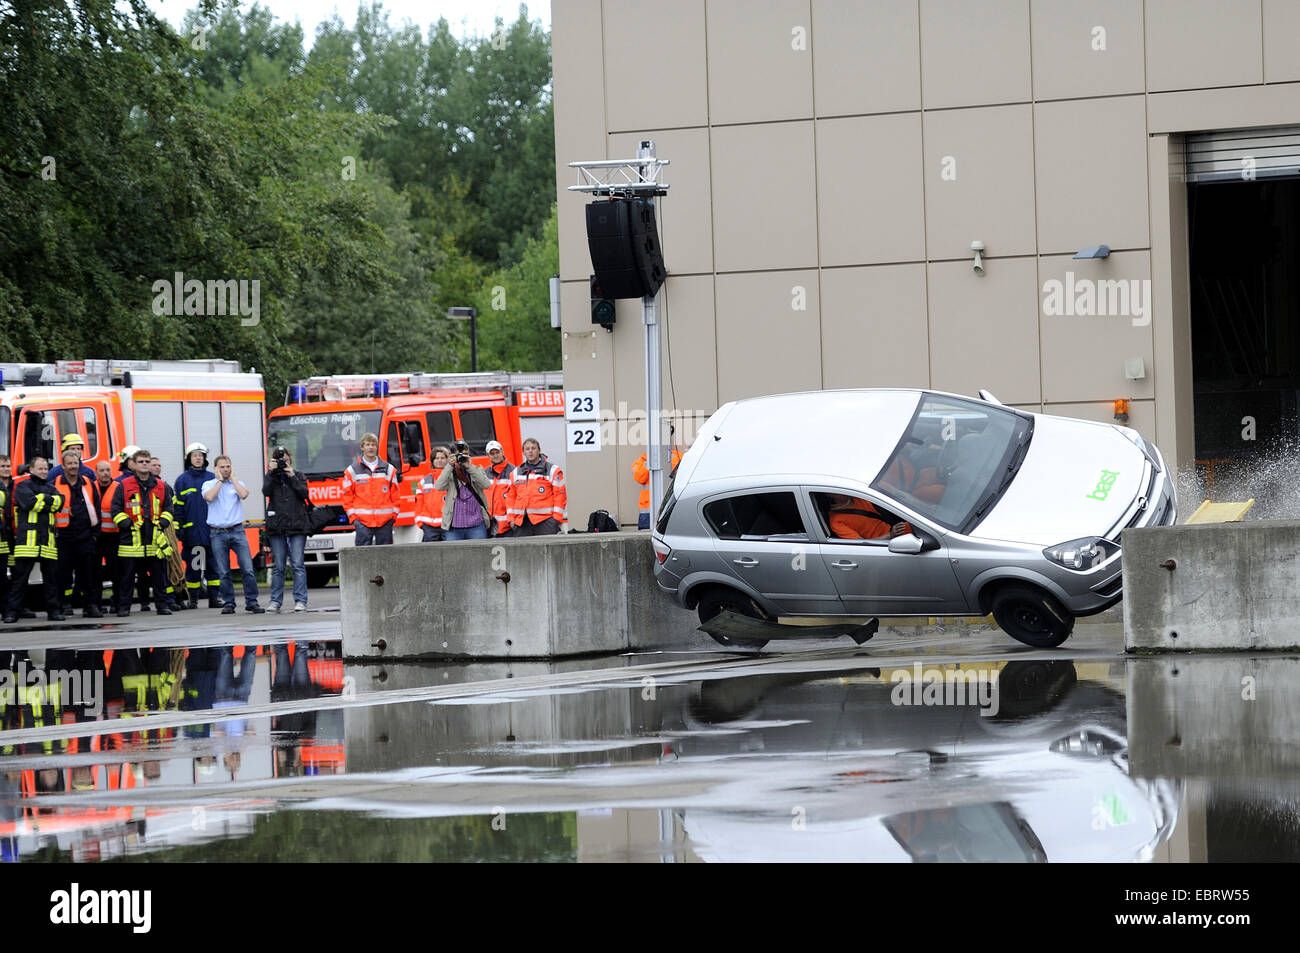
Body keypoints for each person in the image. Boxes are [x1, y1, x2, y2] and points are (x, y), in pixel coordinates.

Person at [110, 448, 177, 617]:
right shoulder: (124, 485)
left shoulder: (161, 486)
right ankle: (124, 607)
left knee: (158, 577)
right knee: (127, 578)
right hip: (131, 540)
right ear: (134, 464)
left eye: (147, 461)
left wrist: (163, 521)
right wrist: (125, 523)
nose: (145, 464)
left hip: (154, 540)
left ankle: (162, 606)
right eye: (141, 461)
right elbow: (115, 508)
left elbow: (169, 507)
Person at [4, 457, 67, 623]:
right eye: (40, 468)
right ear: (31, 469)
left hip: (48, 542)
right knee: (19, 580)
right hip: (27, 543)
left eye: (46, 468)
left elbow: (60, 502)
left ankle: (53, 611)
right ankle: (12, 612)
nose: (44, 471)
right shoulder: (23, 486)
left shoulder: (51, 487)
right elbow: (29, 504)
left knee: (51, 580)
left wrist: (43, 499)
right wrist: (48, 501)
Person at [202, 455, 265, 615]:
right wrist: (220, 481)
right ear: (215, 469)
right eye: (222, 467)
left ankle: (252, 602)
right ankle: (229, 602)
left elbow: (244, 494)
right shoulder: (209, 484)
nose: (225, 469)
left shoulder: (237, 484)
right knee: (223, 571)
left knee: (247, 568)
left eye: (228, 466)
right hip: (217, 533)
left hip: (237, 531)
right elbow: (209, 497)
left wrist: (233, 479)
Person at [52, 448, 103, 618]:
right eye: (70, 464)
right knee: (63, 574)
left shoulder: (88, 482)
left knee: (87, 574)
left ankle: (90, 605)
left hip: (85, 535)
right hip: (63, 536)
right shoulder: (55, 483)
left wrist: (95, 533)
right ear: (63, 466)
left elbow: (96, 506)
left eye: (75, 463)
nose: (73, 466)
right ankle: (63, 604)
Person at [173, 443, 221, 609]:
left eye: (201, 455)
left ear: (205, 458)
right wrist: (179, 529)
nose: (198, 458)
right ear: (189, 458)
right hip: (192, 534)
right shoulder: (182, 480)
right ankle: (193, 599)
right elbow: (178, 508)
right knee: (194, 567)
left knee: (212, 567)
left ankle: (214, 598)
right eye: (195, 455)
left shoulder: (212, 478)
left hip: (211, 532)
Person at [263, 447, 310, 613]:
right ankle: (275, 601)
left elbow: (304, 493)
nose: (284, 462)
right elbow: (265, 491)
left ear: (291, 460)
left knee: (298, 564)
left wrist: (292, 476)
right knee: (279, 566)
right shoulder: (272, 476)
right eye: (280, 460)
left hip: (297, 524)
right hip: (278, 526)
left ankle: (301, 600)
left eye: (286, 459)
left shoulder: (298, 475)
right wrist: (271, 472)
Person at [340, 432, 398, 545]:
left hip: (385, 521)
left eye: (373, 444)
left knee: (385, 556)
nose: (371, 447)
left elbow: (395, 494)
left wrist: (393, 516)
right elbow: (347, 496)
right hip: (362, 522)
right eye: (367, 444)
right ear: (362, 447)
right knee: (362, 556)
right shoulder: (352, 470)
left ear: (377, 447)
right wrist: (354, 518)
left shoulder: (389, 469)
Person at [508, 438, 566, 536]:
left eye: (533, 448)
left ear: (539, 451)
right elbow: (510, 498)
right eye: (527, 449)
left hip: (546, 522)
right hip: (522, 523)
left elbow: (560, 496)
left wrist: (556, 519)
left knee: (548, 551)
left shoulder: (552, 470)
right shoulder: (515, 473)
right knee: (524, 551)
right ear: (523, 452)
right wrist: (511, 519)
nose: (530, 451)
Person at [434, 442, 491, 540]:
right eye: (459, 455)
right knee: (453, 555)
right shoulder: (450, 472)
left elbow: (486, 485)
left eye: (465, 454)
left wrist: (470, 467)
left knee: (479, 554)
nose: (462, 457)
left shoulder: (477, 470)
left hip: (476, 524)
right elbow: (439, 486)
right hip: (454, 527)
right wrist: (449, 465)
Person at [632, 447, 682, 530]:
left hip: (670, 507)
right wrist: (651, 460)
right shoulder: (644, 458)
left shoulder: (677, 456)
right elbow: (639, 477)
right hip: (648, 511)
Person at [94, 460, 118, 612]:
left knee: (116, 572)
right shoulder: (90, 487)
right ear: (96, 473)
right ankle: (96, 604)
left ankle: (116, 603)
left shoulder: (118, 488)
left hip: (113, 537)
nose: (105, 473)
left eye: (108, 470)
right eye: (102, 470)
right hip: (96, 537)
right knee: (95, 573)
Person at [413, 446, 450, 541]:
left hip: (448, 526)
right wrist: (420, 522)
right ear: (432, 461)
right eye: (437, 458)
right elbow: (419, 504)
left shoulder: (452, 479)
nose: (440, 460)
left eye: (442, 458)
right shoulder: (424, 481)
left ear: (447, 460)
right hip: (429, 527)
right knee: (431, 555)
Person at [483, 440, 516, 537]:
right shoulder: (484, 474)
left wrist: (513, 520)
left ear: (502, 452)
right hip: (489, 526)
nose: (495, 455)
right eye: (492, 453)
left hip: (509, 527)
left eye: (497, 452)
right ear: (488, 455)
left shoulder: (514, 472)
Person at [827, 494, 892, 540]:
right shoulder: (836, 522)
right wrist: (890, 535)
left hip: (895, 528)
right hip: (886, 543)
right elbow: (862, 544)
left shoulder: (859, 497)